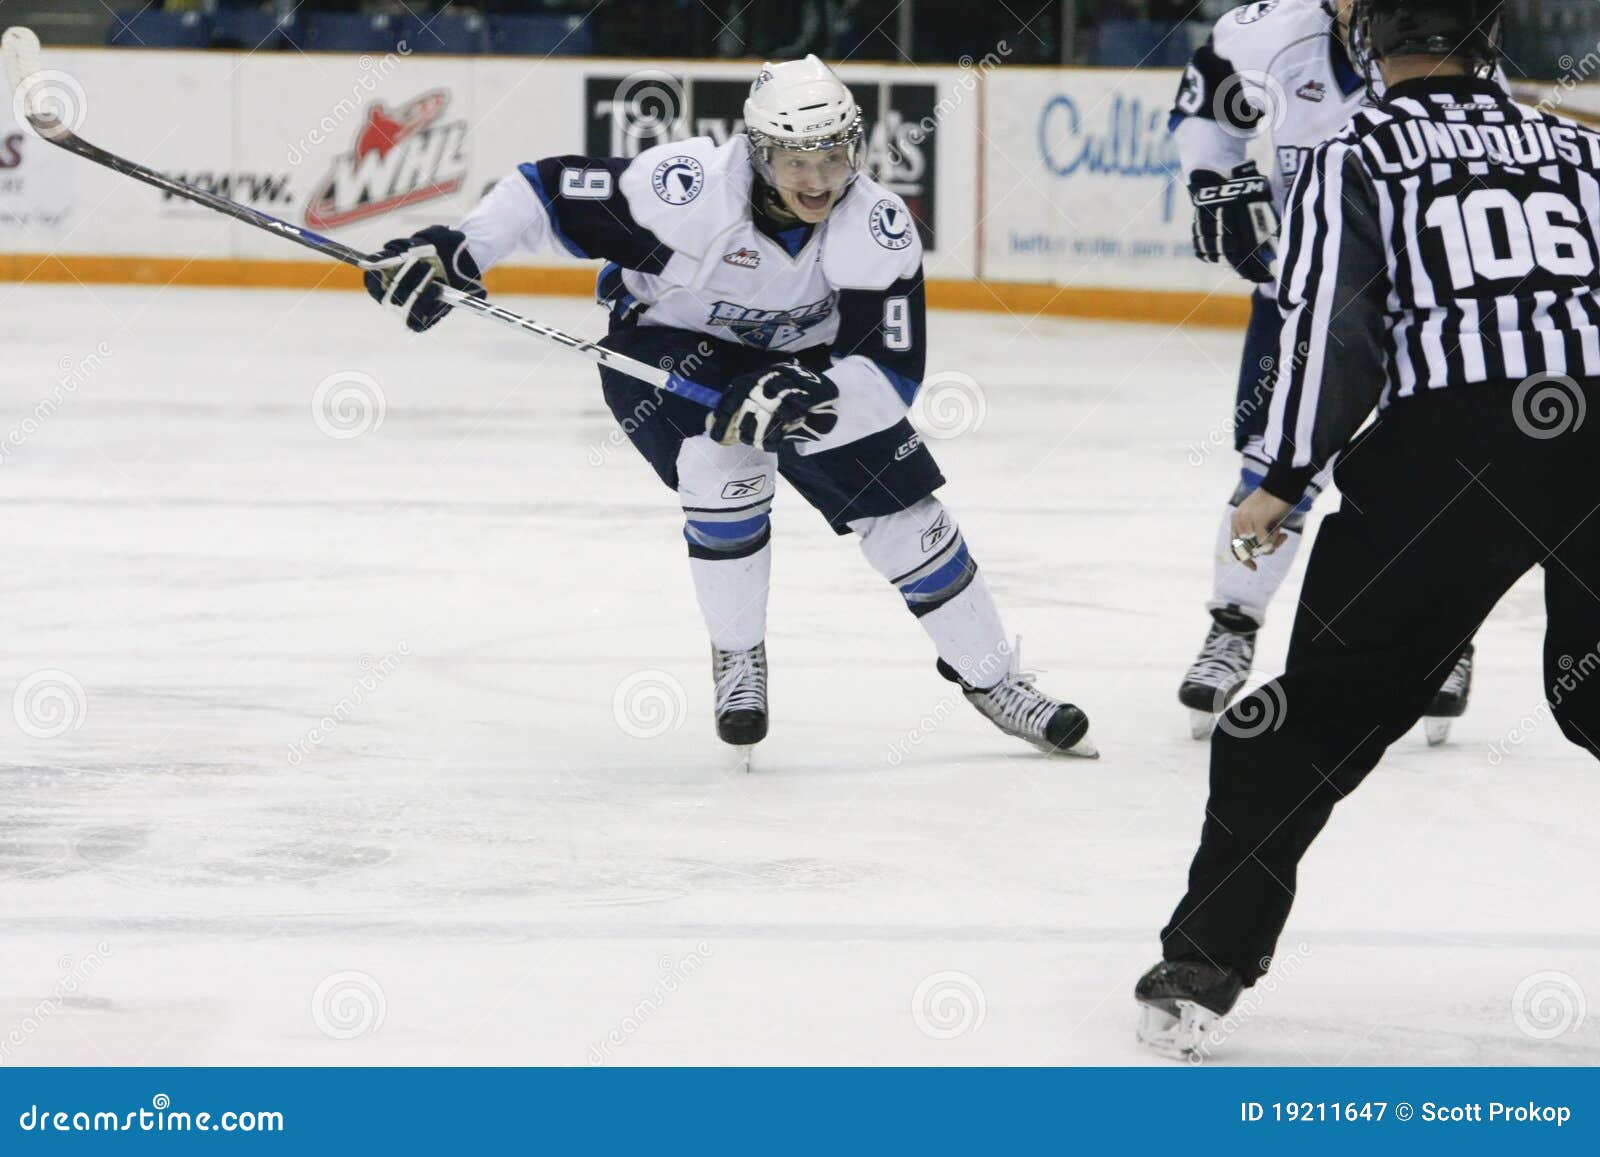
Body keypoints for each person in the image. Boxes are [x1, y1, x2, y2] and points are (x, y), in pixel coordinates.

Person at [363, 56, 1097, 765]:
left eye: (834, 156)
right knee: (723, 461)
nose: (818, 181)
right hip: (667, 346)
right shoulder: (683, 191)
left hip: (806, 369)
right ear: (757, 151)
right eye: (796, 161)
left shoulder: (875, 225)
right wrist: (459, 247)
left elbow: (894, 373)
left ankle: (996, 680)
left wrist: (817, 395)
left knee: (910, 517)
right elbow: (543, 191)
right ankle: (738, 651)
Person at [1137, 0, 1600, 1059]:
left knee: (1300, 726)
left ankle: (1205, 961)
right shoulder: (1577, 143)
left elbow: (1327, 335)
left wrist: (1281, 477)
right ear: (1487, 39)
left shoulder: (1356, 151)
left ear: (1370, 43)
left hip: (1455, 451)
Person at [1169, 0, 1481, 743]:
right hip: (1301, 299)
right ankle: (1233, 622)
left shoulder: (1442, 43)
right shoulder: (1269, 37)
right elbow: (1209, 90)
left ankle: (1448, 635)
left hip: (1423, 304)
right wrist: (1216, 177)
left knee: (1435, 474)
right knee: (1272, 468)